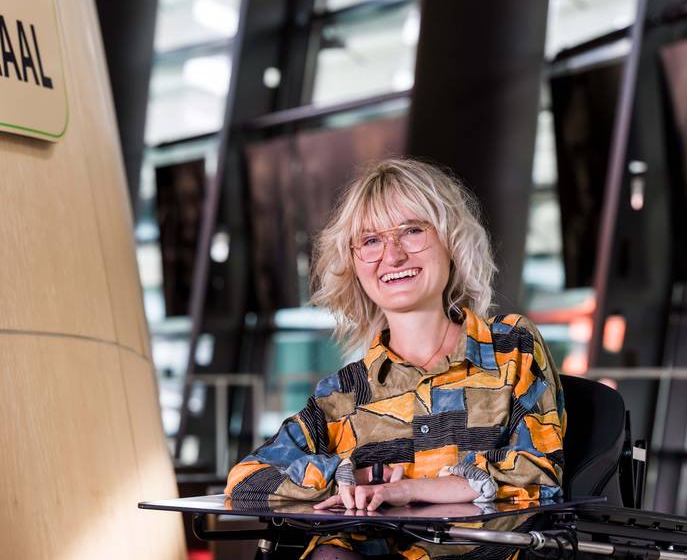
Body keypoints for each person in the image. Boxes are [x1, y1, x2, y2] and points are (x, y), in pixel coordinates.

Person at [225, 158, 566, 559]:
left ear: (451, 241)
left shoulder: (510, 347)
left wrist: (403, 489)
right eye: (371, 241)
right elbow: (246, 480)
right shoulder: (343, 395)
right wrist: (348, 477)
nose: (393, 255)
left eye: (412, 231)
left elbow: (536, 476)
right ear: (353, 264)